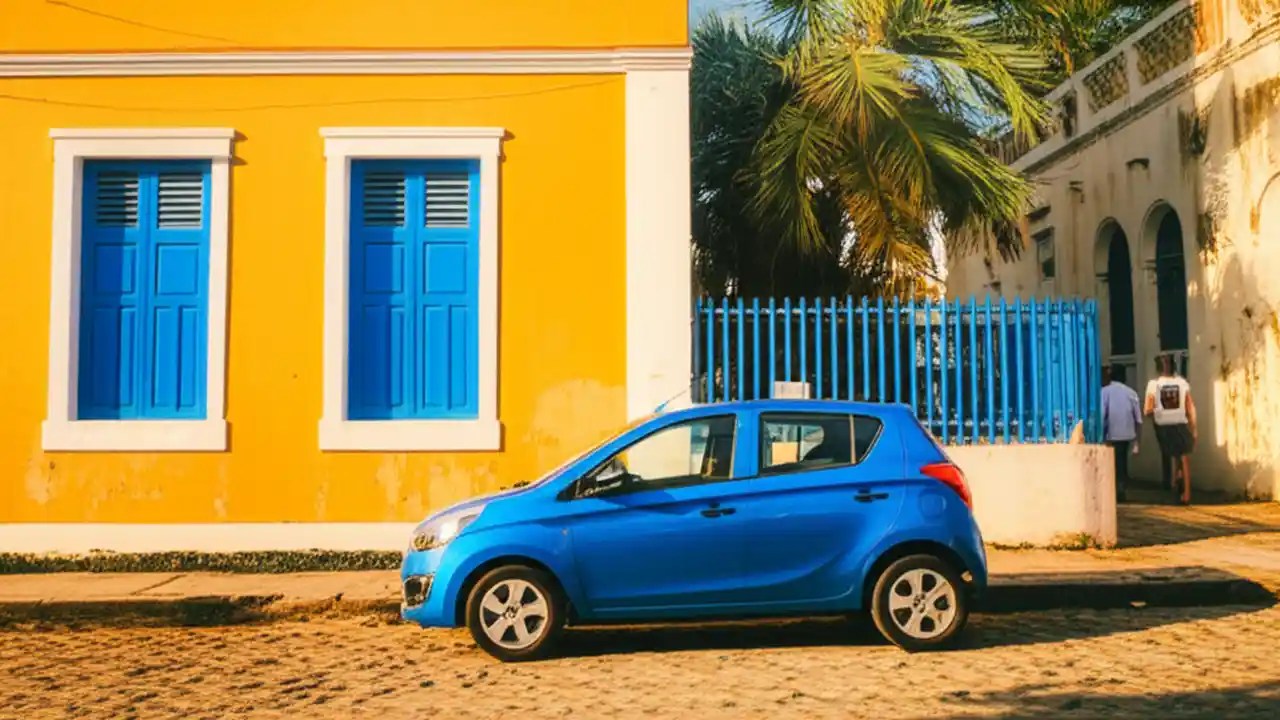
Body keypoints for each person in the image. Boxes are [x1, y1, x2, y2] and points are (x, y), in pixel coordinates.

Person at [1144, 353, 1197, 505]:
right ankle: (1186, 491)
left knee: (1172, 454)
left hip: (1163, 426)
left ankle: (1174, 481)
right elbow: (1189, 406)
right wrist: (1194, 427)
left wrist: (1157, 413)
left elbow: (1147, 409)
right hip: (1180, 423)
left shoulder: (1153, 385)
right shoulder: (1182, 383)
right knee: (1184, 457)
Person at [1101, 364, 1142, 502]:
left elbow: (1102, 414)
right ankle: (1121, 487)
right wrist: (1137, 441)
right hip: (1127, 433)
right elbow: (1138, 419)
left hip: (1110, 433)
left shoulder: (1105, 392)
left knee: (1113, 464)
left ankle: (1114, 488)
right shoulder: (1131, 393)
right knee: (1122, 462)